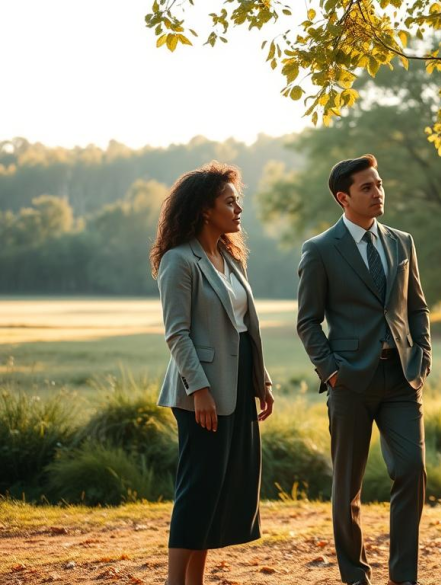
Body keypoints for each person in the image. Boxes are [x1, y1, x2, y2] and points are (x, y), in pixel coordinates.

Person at [296, 154, 431, 585]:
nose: (378, 193)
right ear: (343, 197)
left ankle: (403, 577)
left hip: (402, 379)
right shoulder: (320, 250)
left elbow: (417, 307)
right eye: (367, 187)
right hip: (350, 382)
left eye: (379, 184)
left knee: (411, 470)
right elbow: (307, 321)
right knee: (347, 487)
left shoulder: (402, 242)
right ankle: (355, 576)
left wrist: (422, 355)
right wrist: (331, 372)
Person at [151, 161, 275, 585]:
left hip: (237, 383)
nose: (238, 209)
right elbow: (177, 333)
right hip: (199, 390)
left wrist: (261, 381)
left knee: (218, 489)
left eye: (237, 201)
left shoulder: (230, 257)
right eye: (229, 202)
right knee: (198, 488)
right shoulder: (178, 261)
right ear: (205, 209)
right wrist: (199, 390)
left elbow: (243, 327)